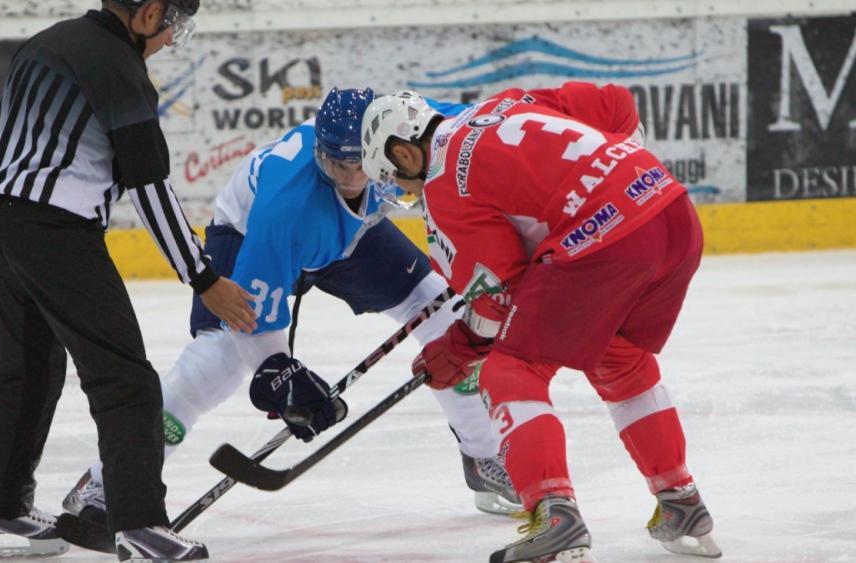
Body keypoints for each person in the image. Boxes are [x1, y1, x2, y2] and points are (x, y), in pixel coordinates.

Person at [62, 88, 522, 535]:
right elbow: (254, 321)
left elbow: (477, 123)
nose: (349, 176)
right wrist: (281, 375)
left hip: (352, 236)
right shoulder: (285, 206)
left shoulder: (404, 122)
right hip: (247, 236)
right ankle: (105, 484)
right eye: (336, 163)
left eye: (358, 163)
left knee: (445, 315)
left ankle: (483, 456)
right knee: (216, 360)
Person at [359, 83, 721, 562]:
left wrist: (462, 347)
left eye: (398, 179)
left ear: (405, 152)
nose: (406, 192)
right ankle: (680, 501)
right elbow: (617, 104)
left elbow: (499, 297)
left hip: (604, 240)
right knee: (620, 358)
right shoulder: (505, 103)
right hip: (669, 208)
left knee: (510, 372)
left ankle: (555, 516)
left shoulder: (445, 186)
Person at [0, 1, 256, 561]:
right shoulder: (121, 69)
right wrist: (203, 276)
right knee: (126, 381)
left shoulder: (46, 41)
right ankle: (140, 526)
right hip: (53, 232)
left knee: (27, 370)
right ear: (148, 14)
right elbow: (150, 190)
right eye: (173, 24)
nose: (172, 40)